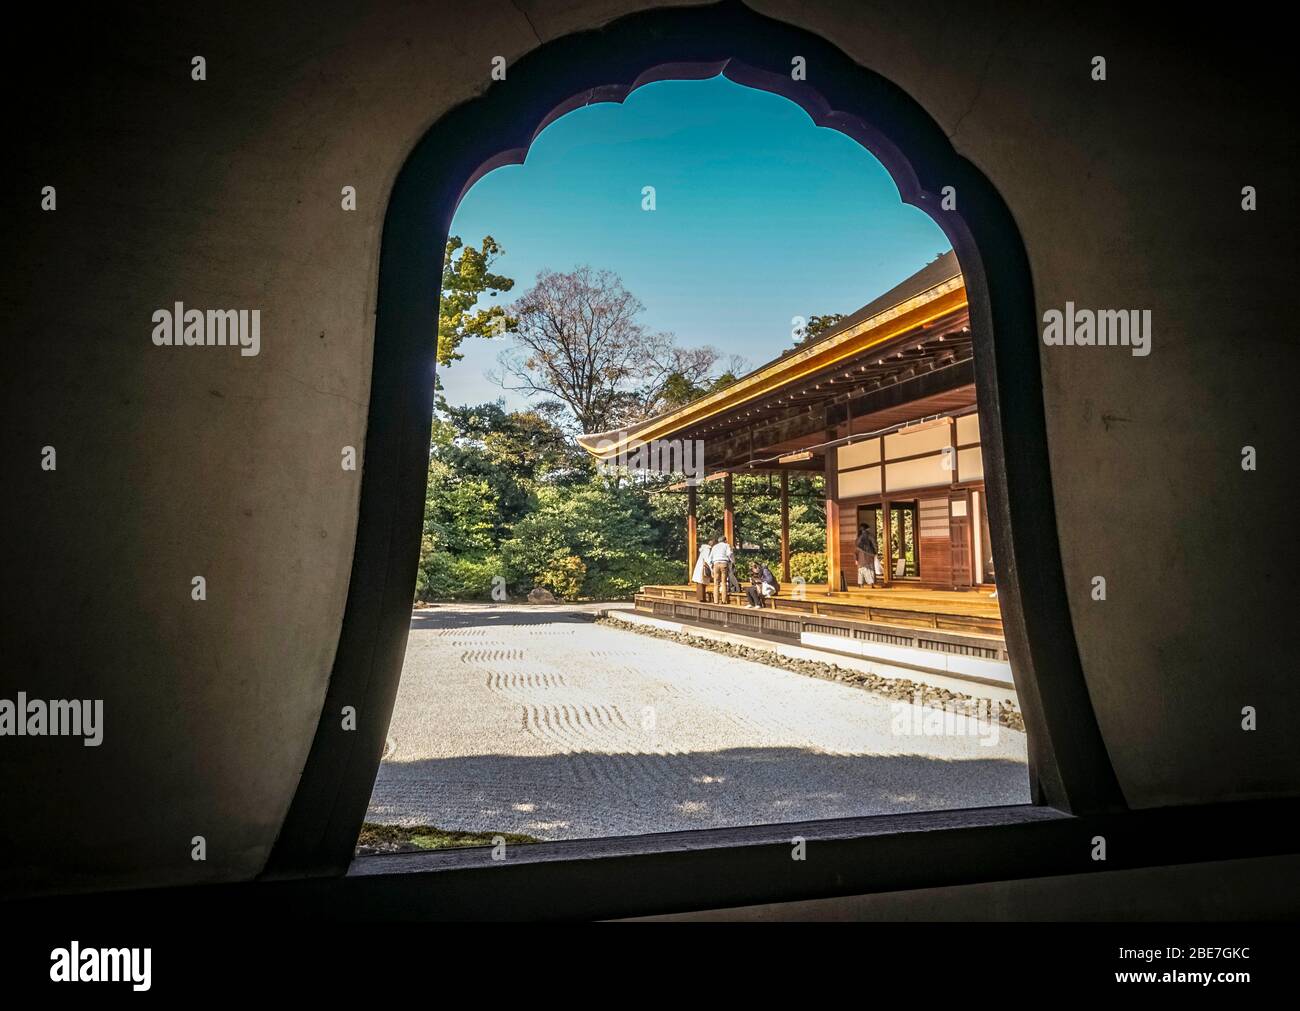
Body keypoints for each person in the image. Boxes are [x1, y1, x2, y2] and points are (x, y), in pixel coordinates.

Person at [710, 533, 734, 604]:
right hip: (724, 563)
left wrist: (711, 567)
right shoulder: (726, 545)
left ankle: (716, 601)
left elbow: (710, 558)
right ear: (725, 540)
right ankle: (724, 600)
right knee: (723, 582)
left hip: (716, 564)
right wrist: (732, 561)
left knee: (716, 583)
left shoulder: (714, 547)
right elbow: (729, 554)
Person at [855, 522, 878, 587]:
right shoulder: (870, 536)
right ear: (866, 529)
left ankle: (860, 584)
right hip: (869, 555)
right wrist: (876, 552)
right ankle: (871, 584)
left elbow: (855, 550)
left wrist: (856, 558)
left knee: (861, 570)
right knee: (870, 569)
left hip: (860, 557)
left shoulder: (858, 538)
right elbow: (874, 544)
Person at [691, 537, 713, 602]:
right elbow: (707, 559)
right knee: (701, 583)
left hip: (701, 567)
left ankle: (702, 598)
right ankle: (701, 598)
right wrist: (711, 566)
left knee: (702, 583)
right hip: (702, 568)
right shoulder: (707, 549)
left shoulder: (704, 549)